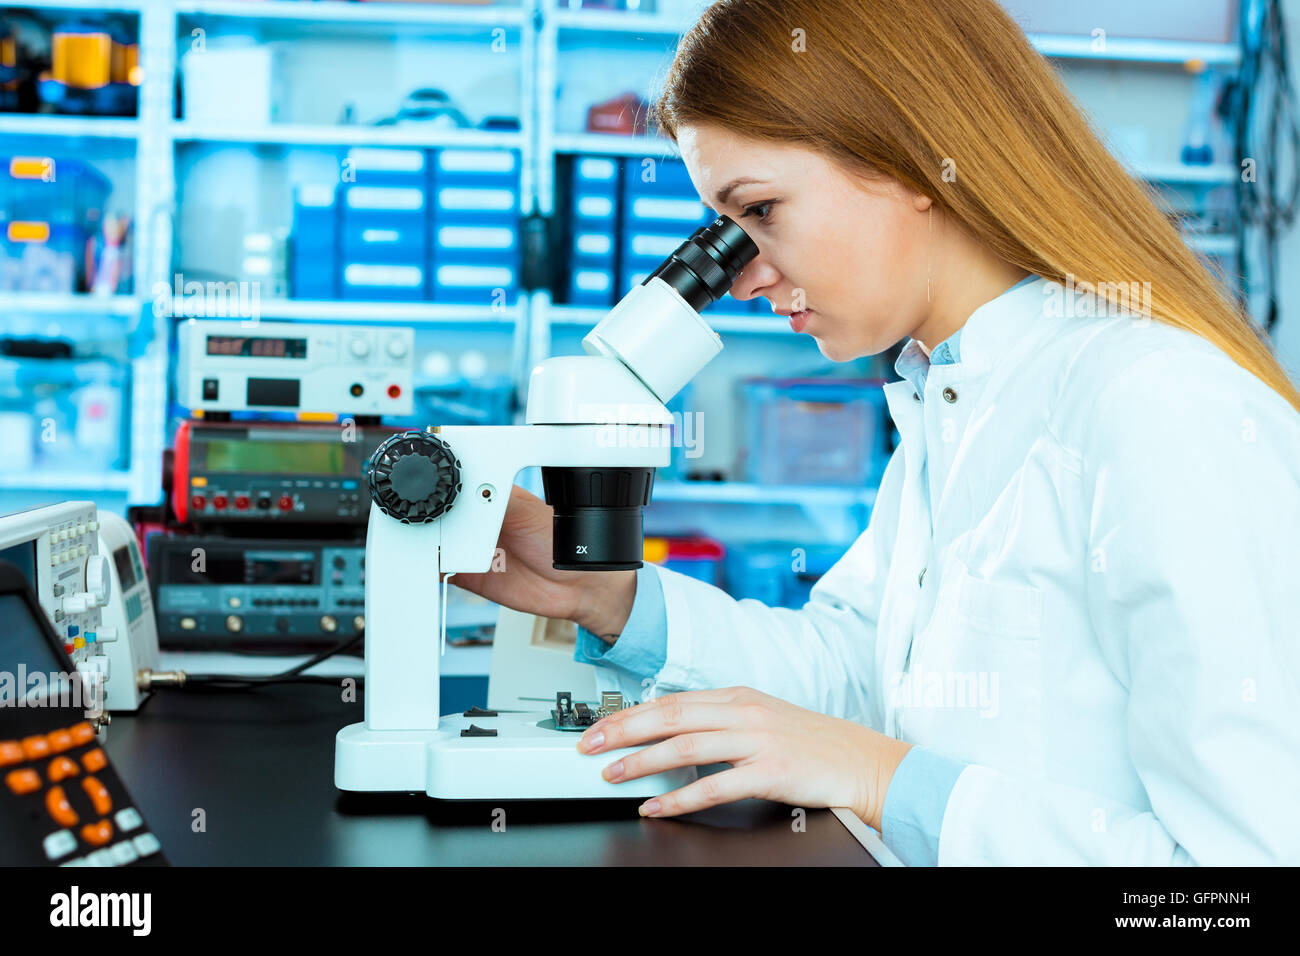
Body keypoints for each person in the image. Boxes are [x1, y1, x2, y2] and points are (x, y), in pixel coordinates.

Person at [452, 0, 1300, 864]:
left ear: (911, 161)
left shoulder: (1161, 409)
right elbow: (855, 676)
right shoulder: (948, 397)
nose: (745, 278)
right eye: (728, 233)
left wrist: (887, 782)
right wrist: (611, 599)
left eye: (763, 212)